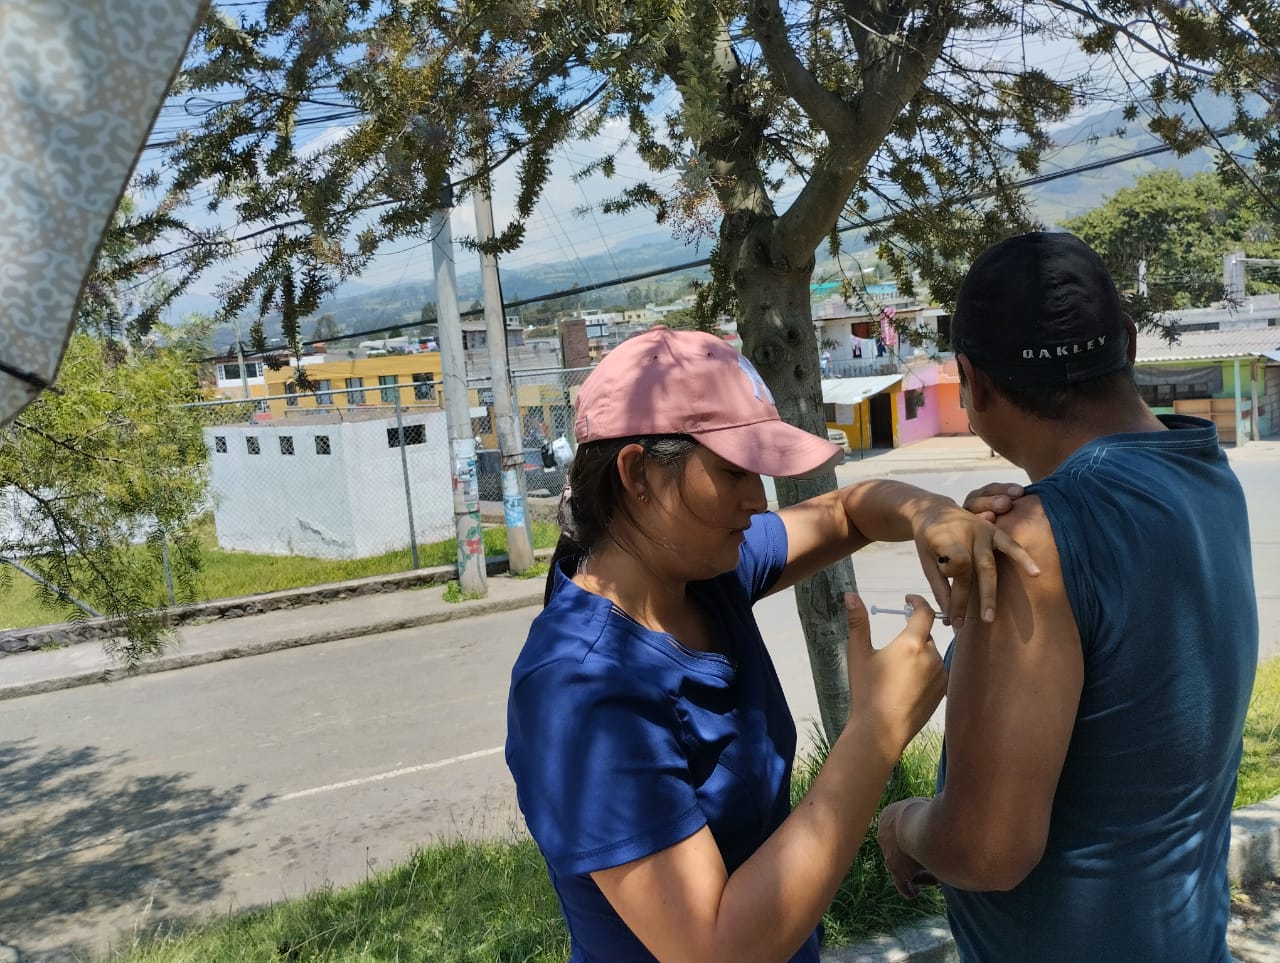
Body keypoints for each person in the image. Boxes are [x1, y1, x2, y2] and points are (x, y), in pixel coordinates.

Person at [505, 326, 1038, 963]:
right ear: (636, 473)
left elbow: (847, 511)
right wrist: (875, 730)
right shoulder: (582, 687)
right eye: (733, 472)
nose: (756, 501)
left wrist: (930, 514)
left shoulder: (701, 571)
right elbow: (715, 948)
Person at [876, 232, 1259, 962]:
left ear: (974, 384)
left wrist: (902, 823)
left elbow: (988, 849)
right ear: (1130, 343)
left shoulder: (1036, 542)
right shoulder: (1206, 474)